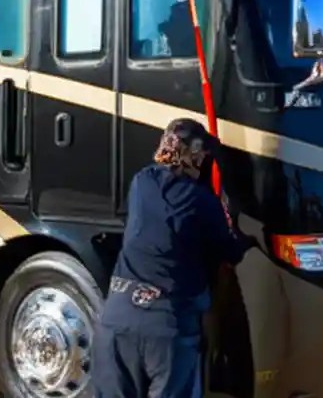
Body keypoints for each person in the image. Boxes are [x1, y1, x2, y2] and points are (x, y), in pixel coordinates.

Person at [94, 118, 256, 397]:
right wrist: (248, 237)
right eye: (203, 156)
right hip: (167, 329)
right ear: (195, 156)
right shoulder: (203, 202)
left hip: (115, 321)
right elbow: (228, 251)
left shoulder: (141, 182)